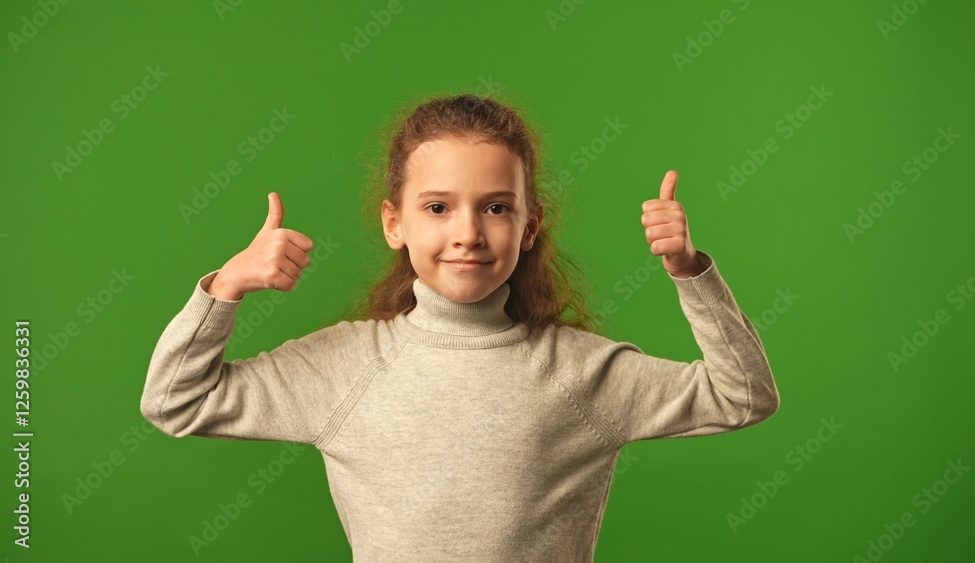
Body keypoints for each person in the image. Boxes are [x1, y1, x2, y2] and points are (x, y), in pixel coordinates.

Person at [140, 93, 779, 562]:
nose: (467, 233)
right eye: (438, 207)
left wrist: (690, 271)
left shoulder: (581, 373)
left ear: (529, 228)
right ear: (396, 224)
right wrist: (225, 288)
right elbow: (175, 402)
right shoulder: (345, 366)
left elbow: (743, 395)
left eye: (496, 208)